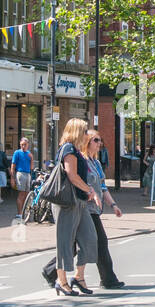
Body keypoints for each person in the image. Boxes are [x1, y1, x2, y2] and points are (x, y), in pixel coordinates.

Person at [51, 118, 99, 296]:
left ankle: (78, 277)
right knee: (64, 241)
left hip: (80, 201)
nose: (87, 135)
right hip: (67, 202)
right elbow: (72, 175)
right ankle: (61, 280)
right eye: (85, 131)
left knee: (90, 239)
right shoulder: (68, 149)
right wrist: (90, 190)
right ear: (77, 131)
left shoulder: (77, 150)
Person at [84, 129, 124, 288]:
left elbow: (102, 187)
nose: (99, 143)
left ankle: (51, 271)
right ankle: (108, 280)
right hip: (85, 208)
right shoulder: (82, 162)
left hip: (95, 209)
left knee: (75, 244)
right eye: (96, 140)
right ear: (87, 142)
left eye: (99, 140)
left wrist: (113, 205)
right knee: (101, 241)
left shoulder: (96, 163)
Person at [11, 137, 34, 222]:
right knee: (21, 194)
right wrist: (12, 178)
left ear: (28, 145)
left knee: (27, 195)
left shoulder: (29, 154)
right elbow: (13, 166)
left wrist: (31, 158)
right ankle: (19, 213)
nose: (23, 146)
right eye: (22, 145)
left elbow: (31, 167)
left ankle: (24, 212)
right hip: (20, 174)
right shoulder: (17, 153)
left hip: (27, 174)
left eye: (25, 145)